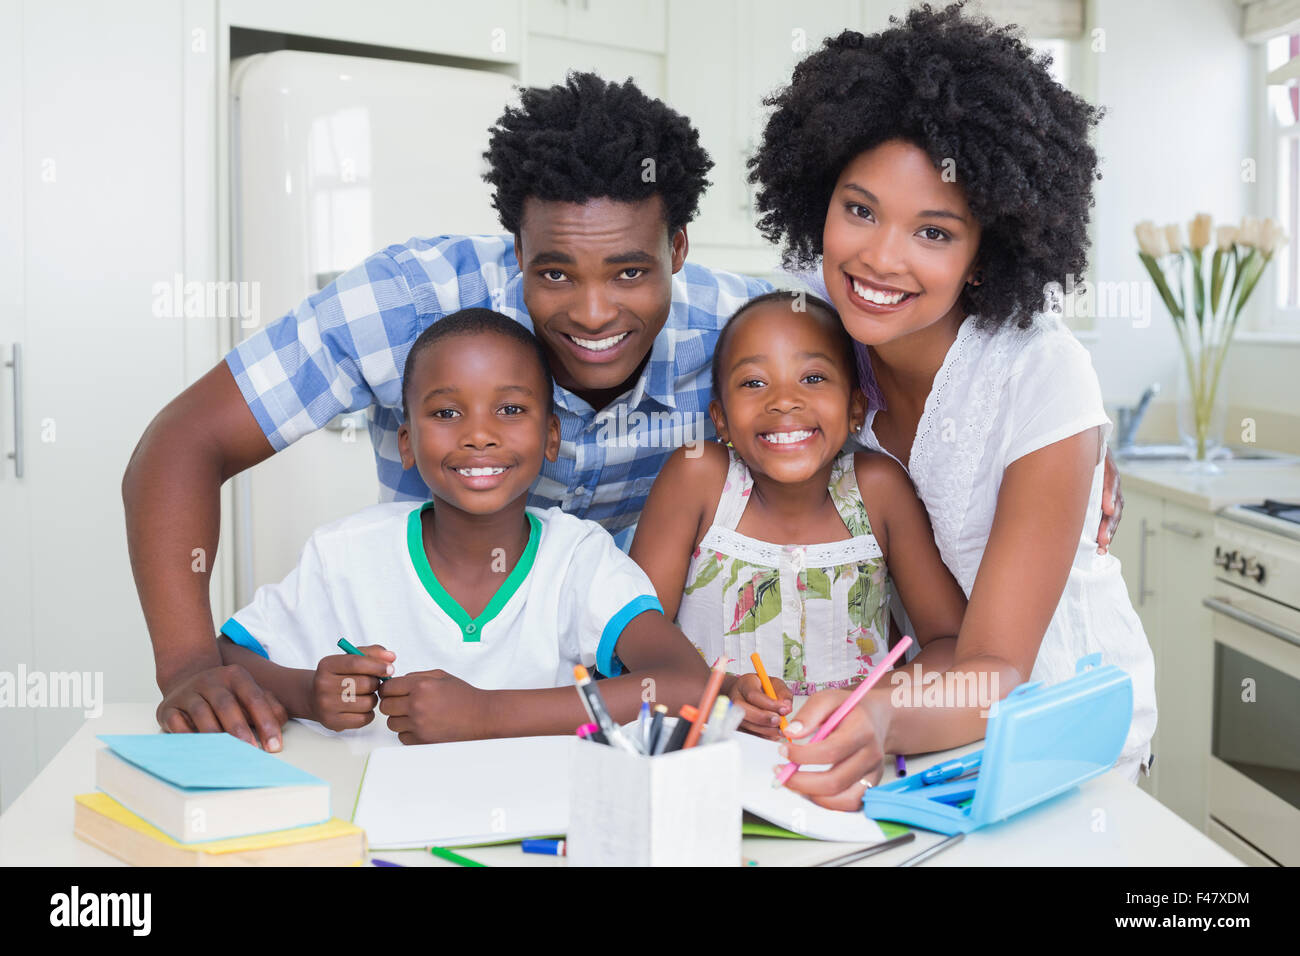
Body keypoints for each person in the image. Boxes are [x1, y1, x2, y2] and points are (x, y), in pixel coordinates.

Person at [122, 67, 1122, 751]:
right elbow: (180, 447)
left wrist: (1069, 452)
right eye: (553, 270)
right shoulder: (404, 307)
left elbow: (920, 376)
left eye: (632, 272)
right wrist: (184, 662)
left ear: (680, 252)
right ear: (510, 246)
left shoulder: (749, 341)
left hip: (602, 711)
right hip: (420, 714)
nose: (593, 312)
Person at [744, 3, 1156, 800]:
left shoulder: (1040, 375)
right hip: (911, 739)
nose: (880, 258)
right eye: (859, 210)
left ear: (982, 254)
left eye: (933, 232)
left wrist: (879, 718)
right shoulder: (810, 336)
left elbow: (1000, 669)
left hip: (1063, 738)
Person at [216, 309, 710, 744]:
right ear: (407, 443)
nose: (478, 434)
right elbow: (225, 659)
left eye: (511, 410)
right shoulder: (345, 553)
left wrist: (488, 713)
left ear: (551, 437)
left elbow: (685, 683)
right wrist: (307, 694)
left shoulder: (579, 558)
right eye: (447, 412)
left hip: (533, 827)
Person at [630, 291, 966, 739]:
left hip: (853, 753)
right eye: (753, 383)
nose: (784, 400)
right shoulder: (699, 476)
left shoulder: (878, 489)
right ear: (721, 419)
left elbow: (949, 642)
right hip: (714, 753)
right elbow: (634, 633)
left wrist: (877, 705)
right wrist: (720, 690)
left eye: (812, 377)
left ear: (855, 409)